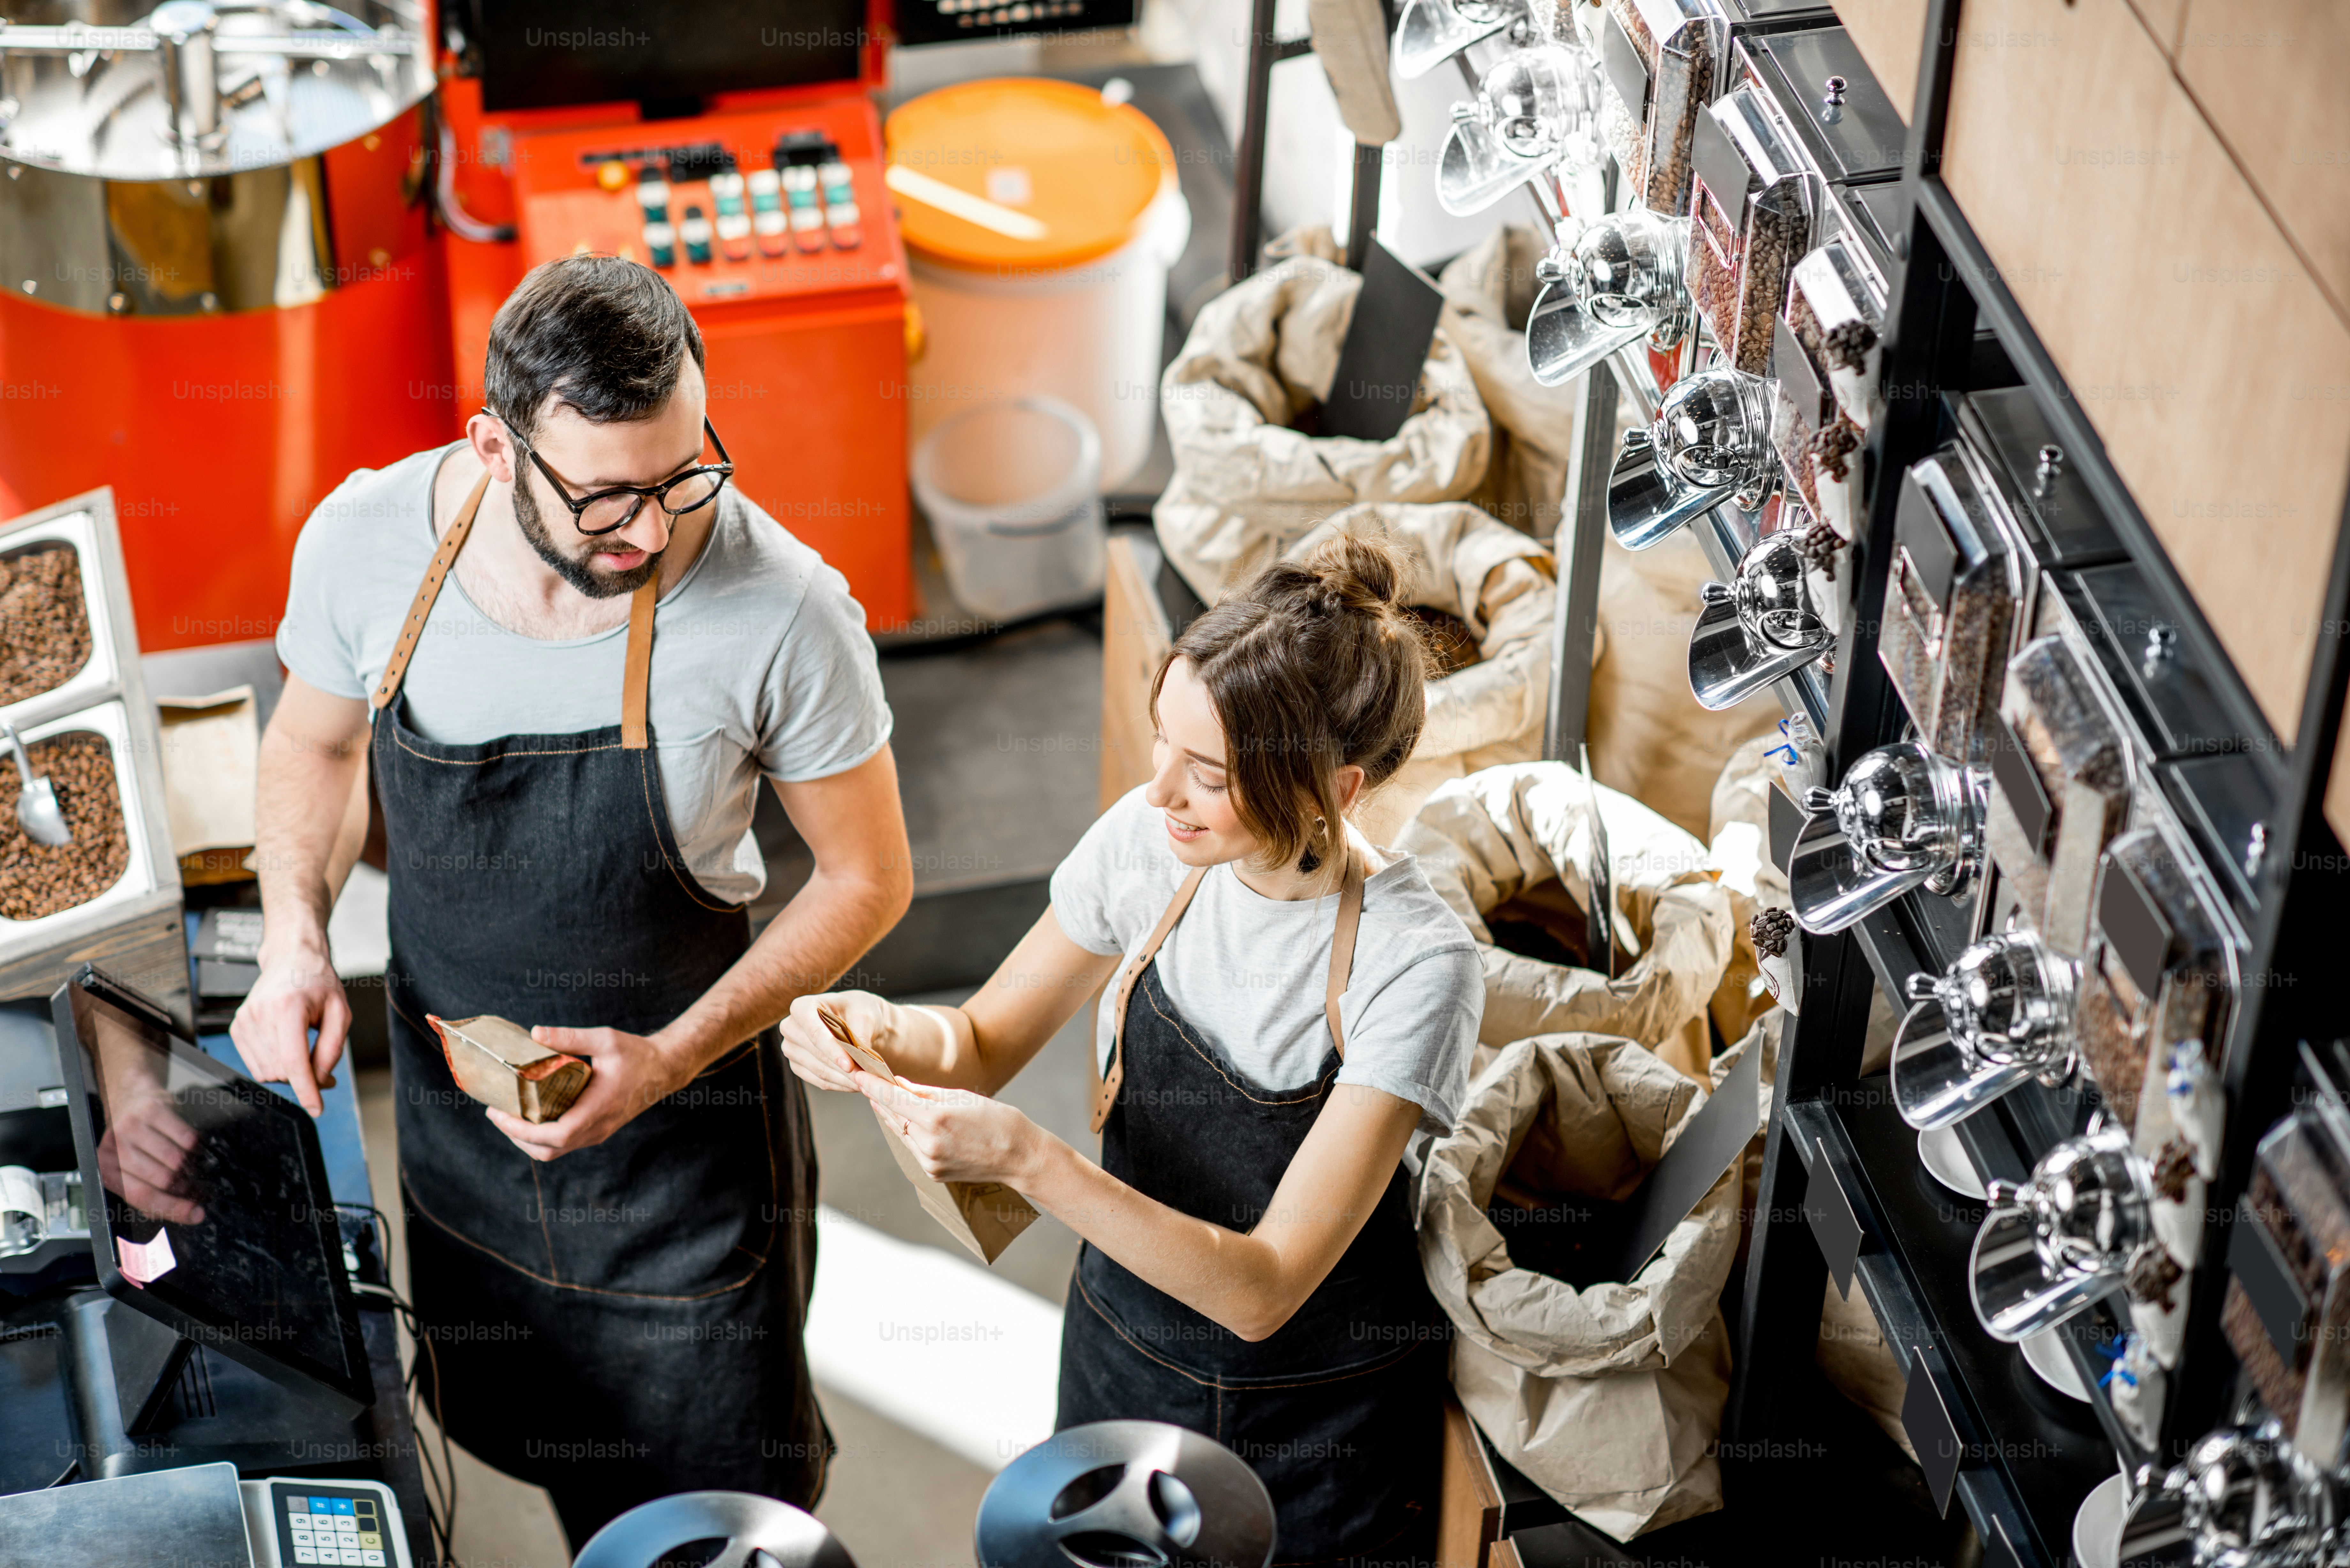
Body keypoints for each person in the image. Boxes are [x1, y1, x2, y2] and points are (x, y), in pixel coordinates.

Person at [234, 255, 912, 1543]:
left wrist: (670, 1059)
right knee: (563, 1474)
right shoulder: (366, 545)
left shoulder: (785, 612)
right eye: (606, 499)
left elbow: (870, 878)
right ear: (496, 449)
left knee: (713, 1527)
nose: (650, 532)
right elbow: (312, 746)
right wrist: (294, 942)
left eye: (682, 476)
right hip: (466, 1149)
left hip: (681, 1179)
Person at [781, 535, 1482, 1564]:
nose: (1160, 793)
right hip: (1125, 1351)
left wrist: (1030, 1159)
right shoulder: (1148, 847)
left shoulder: (1414, 964)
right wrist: (887, 1029)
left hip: (1316, 1418)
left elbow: (1264, 1289)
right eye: (1163, 744)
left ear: (1335, 789)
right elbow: (977, 1041)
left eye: (1209, 773)